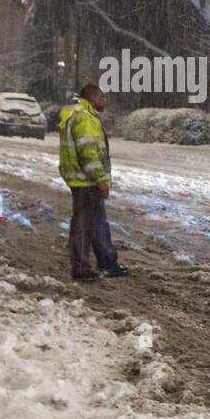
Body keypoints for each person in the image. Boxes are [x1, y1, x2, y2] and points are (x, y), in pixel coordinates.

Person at [59, 83, 127, 282]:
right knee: (84, 225)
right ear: (92, 98)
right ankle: (82, 268)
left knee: (97, 223)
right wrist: (100, 180)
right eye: (102, 97)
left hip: (85, 181)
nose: (104, 101)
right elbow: (88, 152)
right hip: (85, 182)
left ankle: (107, 262)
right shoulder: (85, 118)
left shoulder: (83, 115)